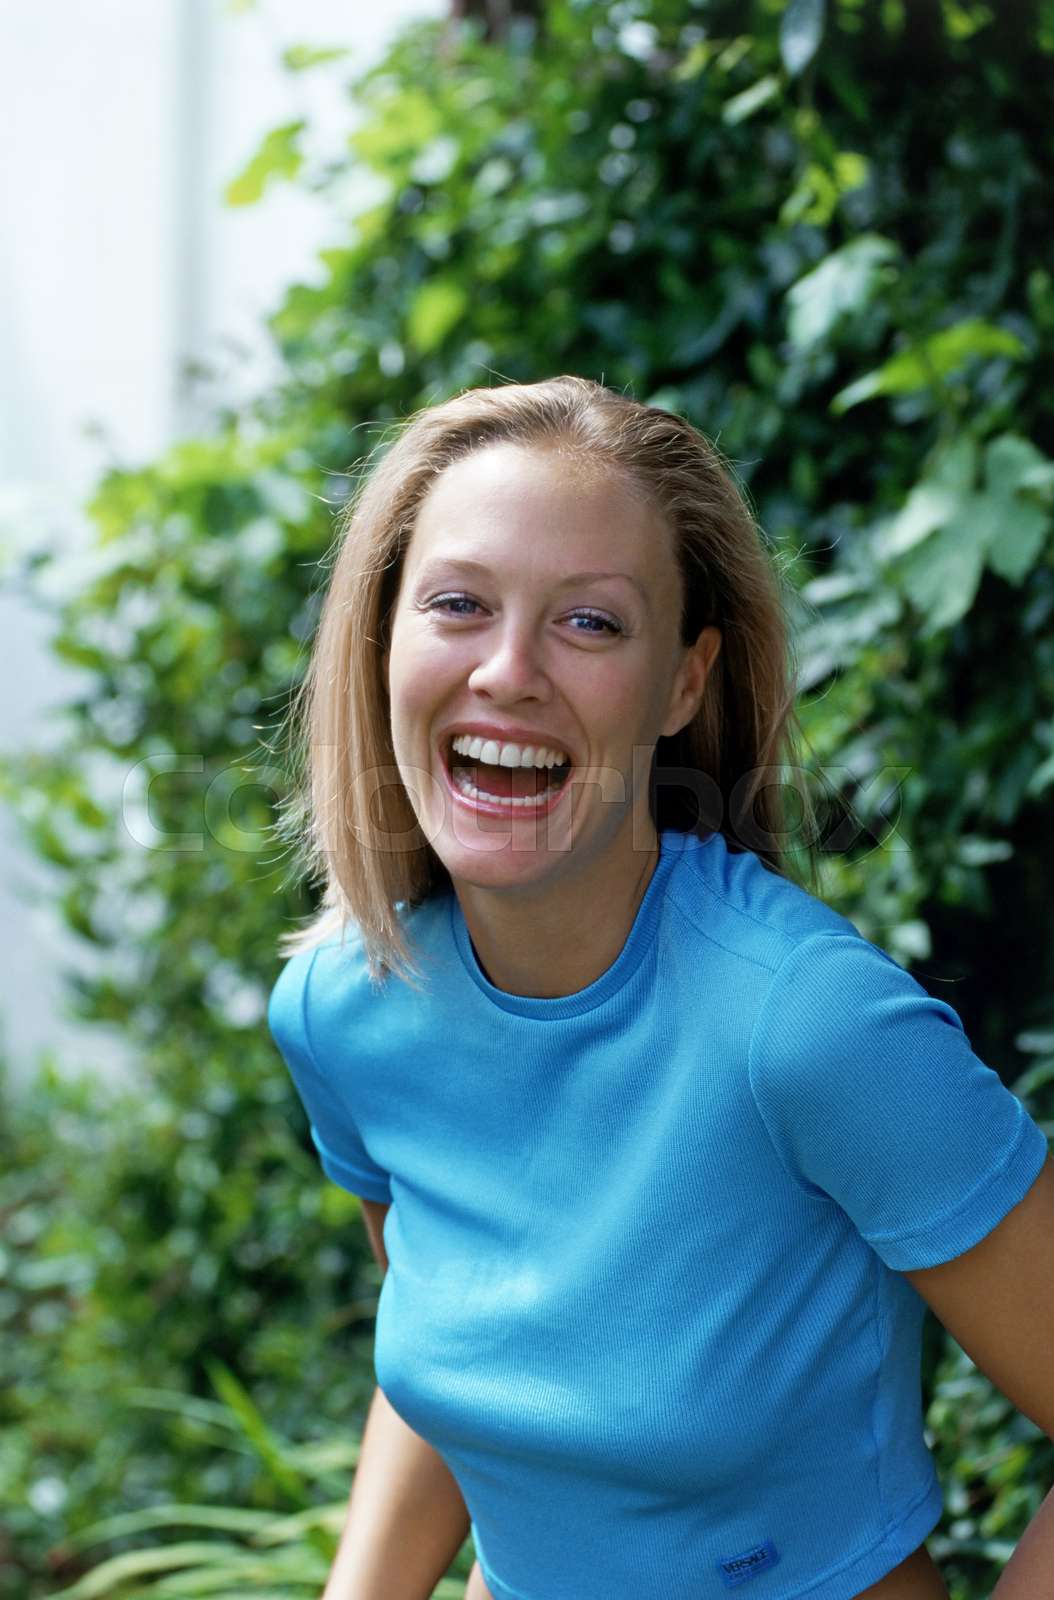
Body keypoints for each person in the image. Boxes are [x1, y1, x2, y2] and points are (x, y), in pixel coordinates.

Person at [266, 376, 1050, 1600]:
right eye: (459, 604)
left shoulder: (811, 1028)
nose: (508, 672)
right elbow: (470, 1358)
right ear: (380, 644)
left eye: (590, 623)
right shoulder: (342, 1008)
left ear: (684, 683)